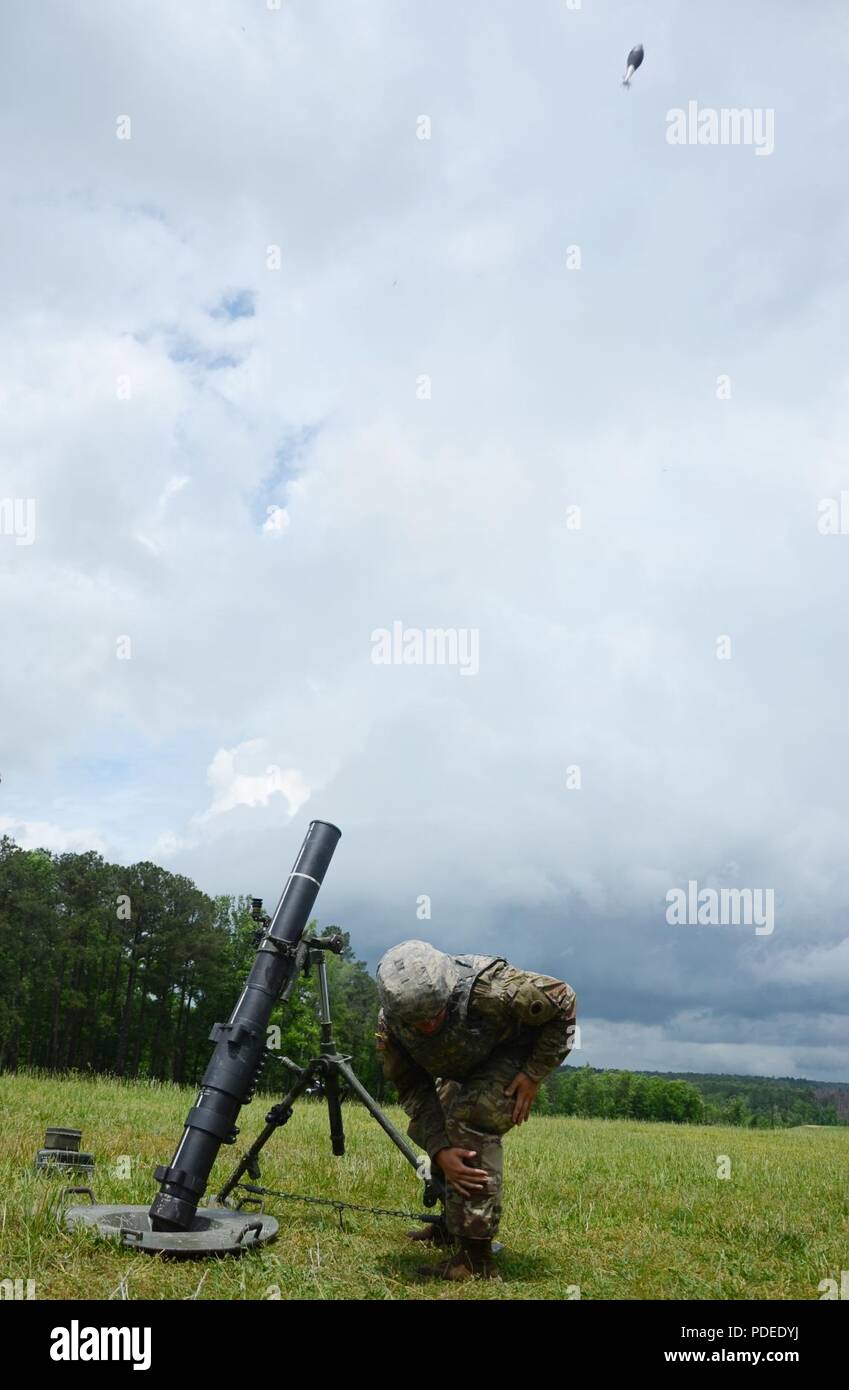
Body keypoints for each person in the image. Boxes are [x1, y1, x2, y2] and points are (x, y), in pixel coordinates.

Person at [375, 939, 577, 1280]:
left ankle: (475, 1261)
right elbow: (412, 1088)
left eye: (435, 1014)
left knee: (469, 1121)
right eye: (417, 1021)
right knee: (439, 1125)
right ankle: (449, 1228)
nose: (427, 1026)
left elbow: (564, 1001)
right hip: (464, 1066)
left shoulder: (493, 989)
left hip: (512, 1056)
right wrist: (438, 1151)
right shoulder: (392, 1025)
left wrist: (533, 1073)